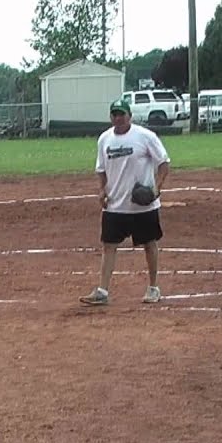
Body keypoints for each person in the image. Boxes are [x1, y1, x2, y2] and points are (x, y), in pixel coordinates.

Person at [80, 99, 171, 306]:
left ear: (129, 115)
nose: (118, 118)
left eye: (122, 114)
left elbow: (164, 164)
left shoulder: (145, 136)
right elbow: (101, 170)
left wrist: (157, 188)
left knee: (149, 244)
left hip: (143, 205)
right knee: (109, 246)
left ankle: (153, 287)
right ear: (110, 117)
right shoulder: (104, 139)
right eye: (114, 114)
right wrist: (102, 190)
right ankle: (102, 291)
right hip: (115, 205)